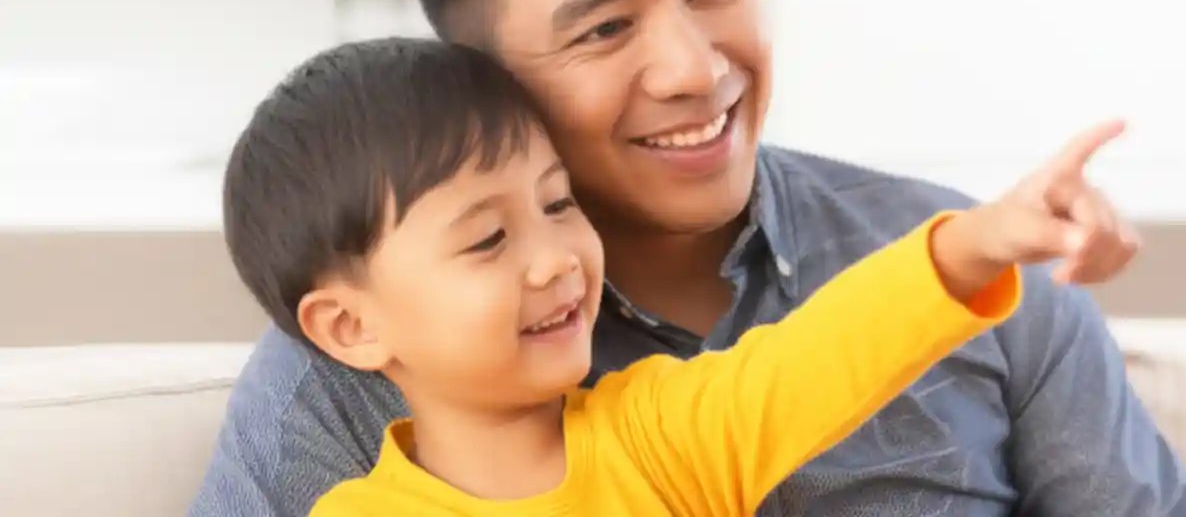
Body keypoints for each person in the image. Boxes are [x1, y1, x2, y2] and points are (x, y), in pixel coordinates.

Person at [192, 0, 1186, 514]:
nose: (691, 67)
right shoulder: (338, 380)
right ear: (481, 79)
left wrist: (979, 245)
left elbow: (828, 353)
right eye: (601, 30)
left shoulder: (983, 277)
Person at [223, 37, 1126, 516]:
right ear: (350, 327)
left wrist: (978, 242)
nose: (555, 257)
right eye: (488, 240)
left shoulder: (661, 433)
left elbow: (819, 357)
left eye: (558, 202)